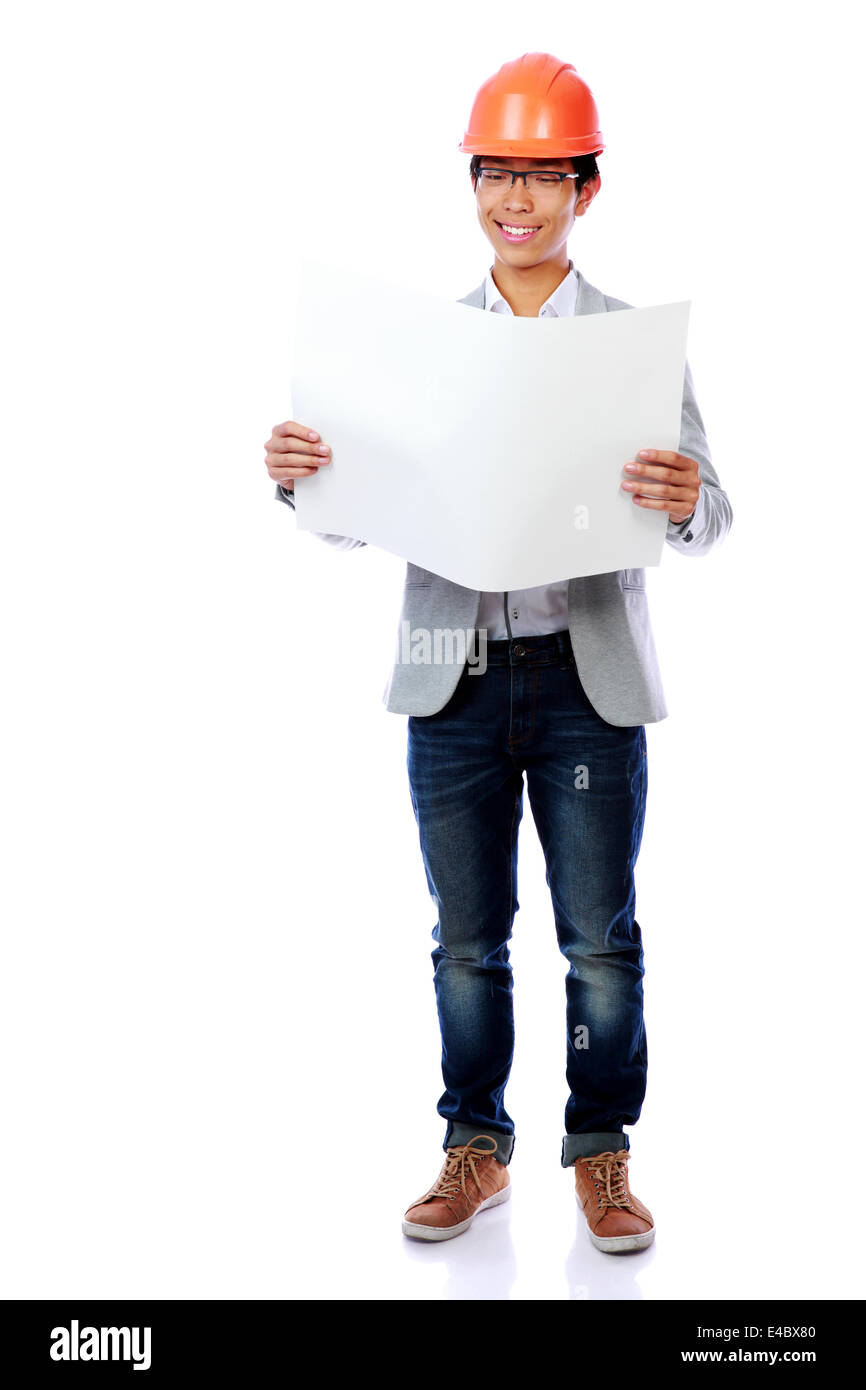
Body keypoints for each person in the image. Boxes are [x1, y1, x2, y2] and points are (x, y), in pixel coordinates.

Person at [264, 52, 732, 1253]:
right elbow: (353, 512)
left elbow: (712, 514)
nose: (514, 201)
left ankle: (601, 1152)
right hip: (452, 676)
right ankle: (474, 1144)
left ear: (585, 189)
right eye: (494, 176)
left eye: (539, 177)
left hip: (586, 686)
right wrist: (304, 482)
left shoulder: (631, 345)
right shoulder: (417, 348)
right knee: (465, 940)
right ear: (471, 185)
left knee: (596, 942)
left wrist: (681, 499)